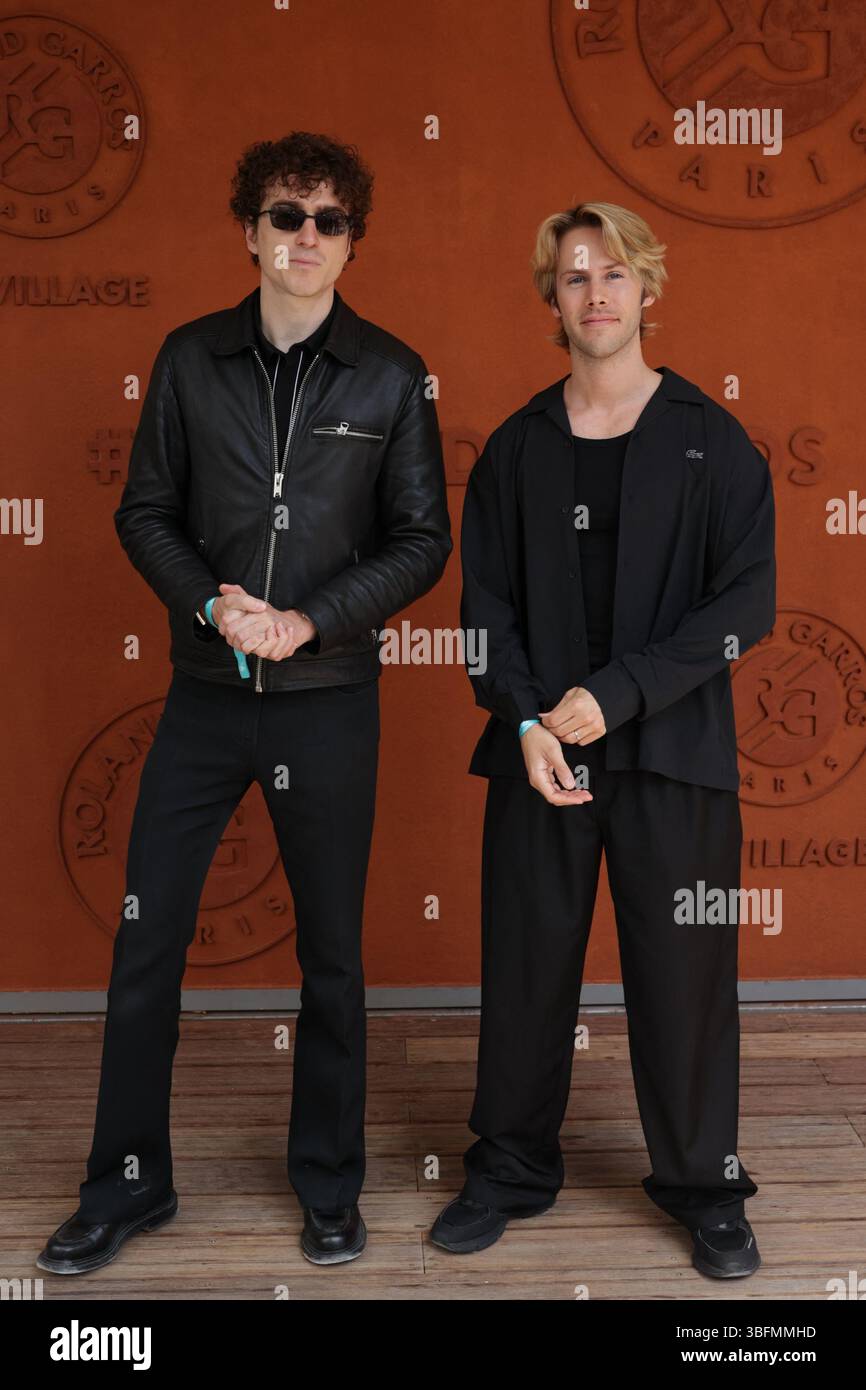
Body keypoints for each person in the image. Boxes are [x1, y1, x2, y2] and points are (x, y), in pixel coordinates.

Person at [37, 131, 452, 1275]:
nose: (304, 237)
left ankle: (327, 1185)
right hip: (205, 696)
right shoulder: (186, 358)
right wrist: (216, 610)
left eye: (327, 220)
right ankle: (127, 1186)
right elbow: (144, 512)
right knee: (145, 942)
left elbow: (423, 539)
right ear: (250, 230)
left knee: (331, 956)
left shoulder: (388, 372)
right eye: (285, 215)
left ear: (350, 240)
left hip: (327, 699)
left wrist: (307, 620)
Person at [430, 201, 775, 1279]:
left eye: (613, 274)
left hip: (671, 756)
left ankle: (701, 1184)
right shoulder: (517, 447)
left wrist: (617, 694)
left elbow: (745, 603)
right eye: (574, 277)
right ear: (551, 299)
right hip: (537, 756)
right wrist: (528, 718)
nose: (595, 294)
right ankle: (511, 1166)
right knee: (526, 969)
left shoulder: (710, 440)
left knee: (683, 974)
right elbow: (482, 605)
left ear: (647, 290)